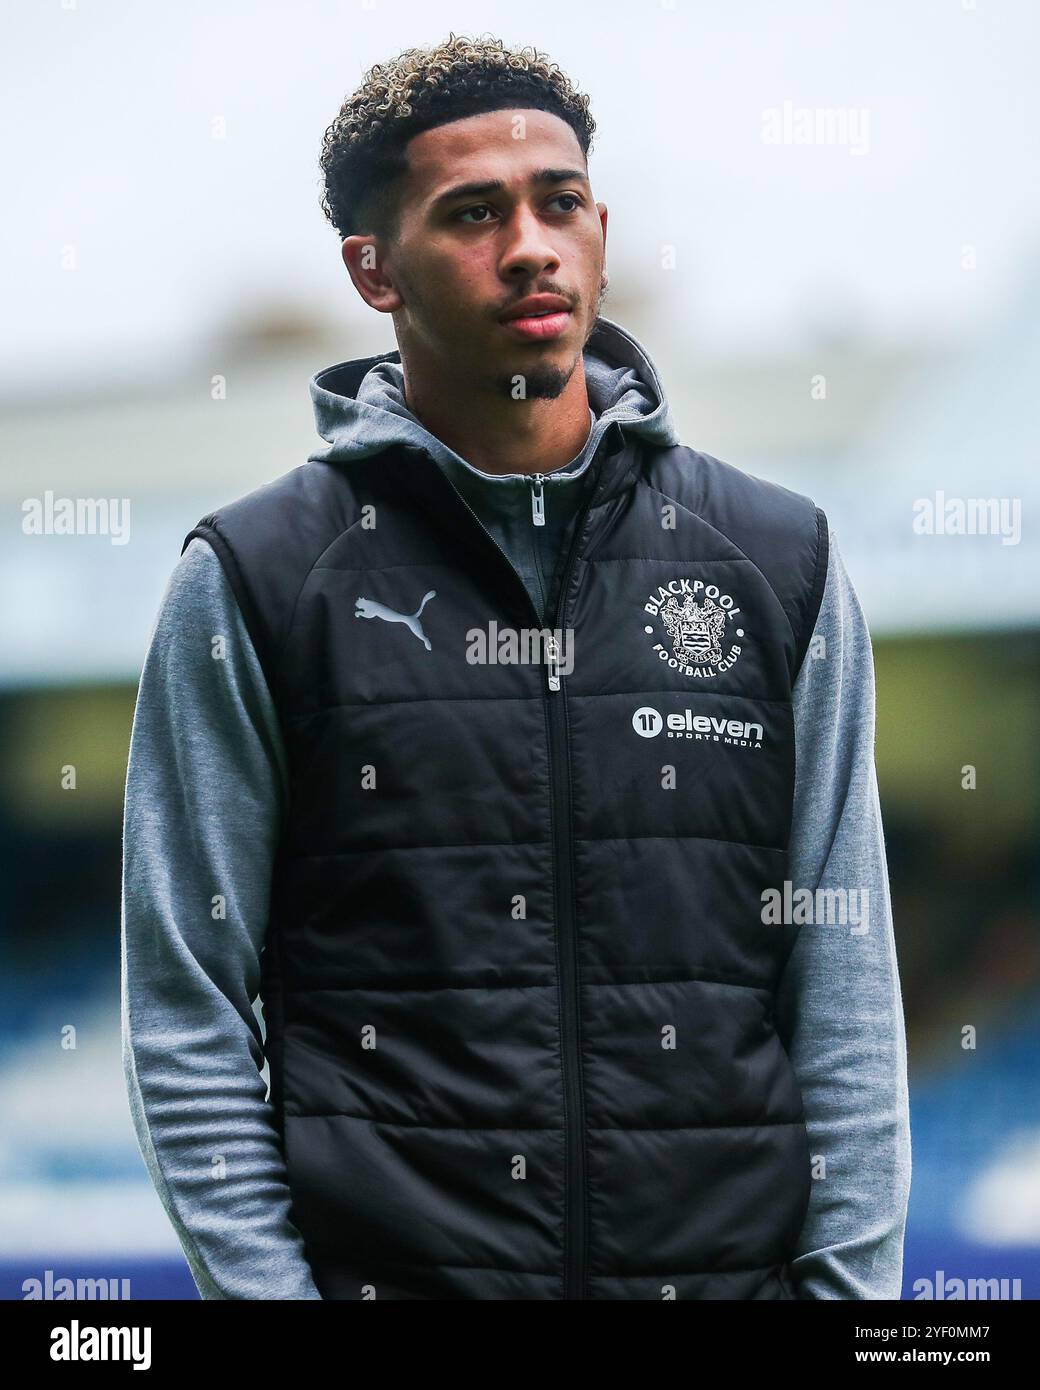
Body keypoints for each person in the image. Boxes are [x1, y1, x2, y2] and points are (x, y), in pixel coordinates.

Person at [121, 32, 911, 1301]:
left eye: (559, 203)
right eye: (473, 213)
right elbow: (185, 1009)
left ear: (600, 230)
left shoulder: (777, 560)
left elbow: (845, 991)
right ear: (373, 269)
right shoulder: (257, 577)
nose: (531, 246)